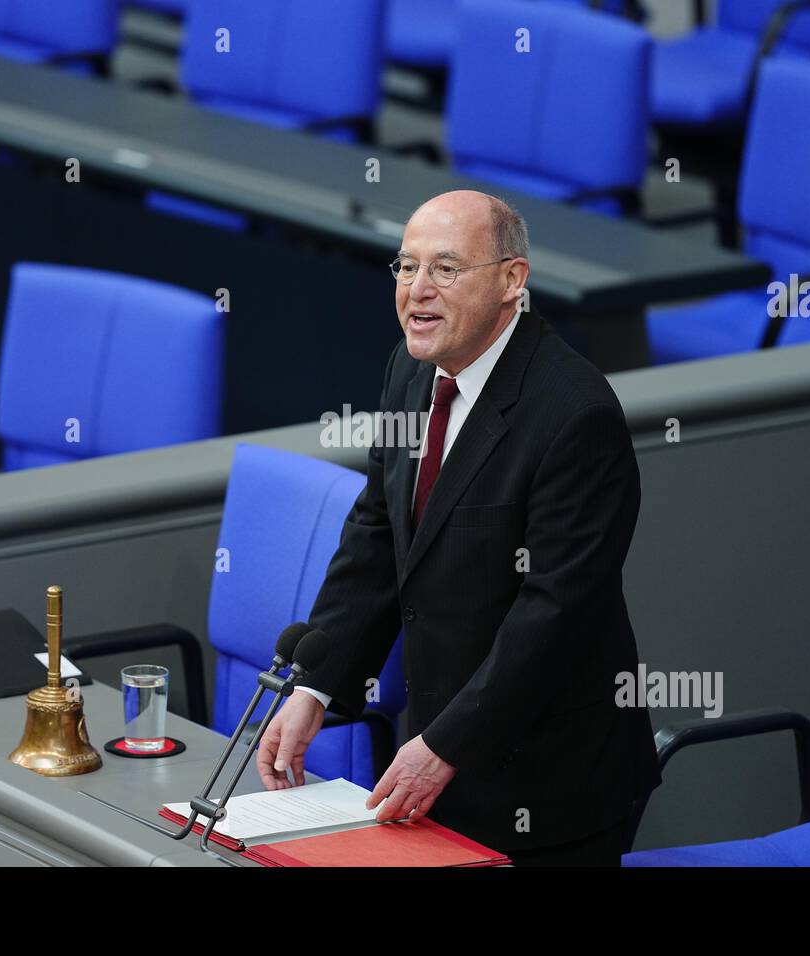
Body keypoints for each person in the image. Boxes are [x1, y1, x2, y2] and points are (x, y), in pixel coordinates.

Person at [255, 189, 660, 866]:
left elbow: (557, 611)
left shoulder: (575, 414)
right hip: (435, 761)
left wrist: (447, 744)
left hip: (547, 787)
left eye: (445, 268)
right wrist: (315, 685)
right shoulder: (410, 370)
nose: (417, 289)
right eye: (406, 266)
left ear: (511, 280)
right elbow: (378, 534)